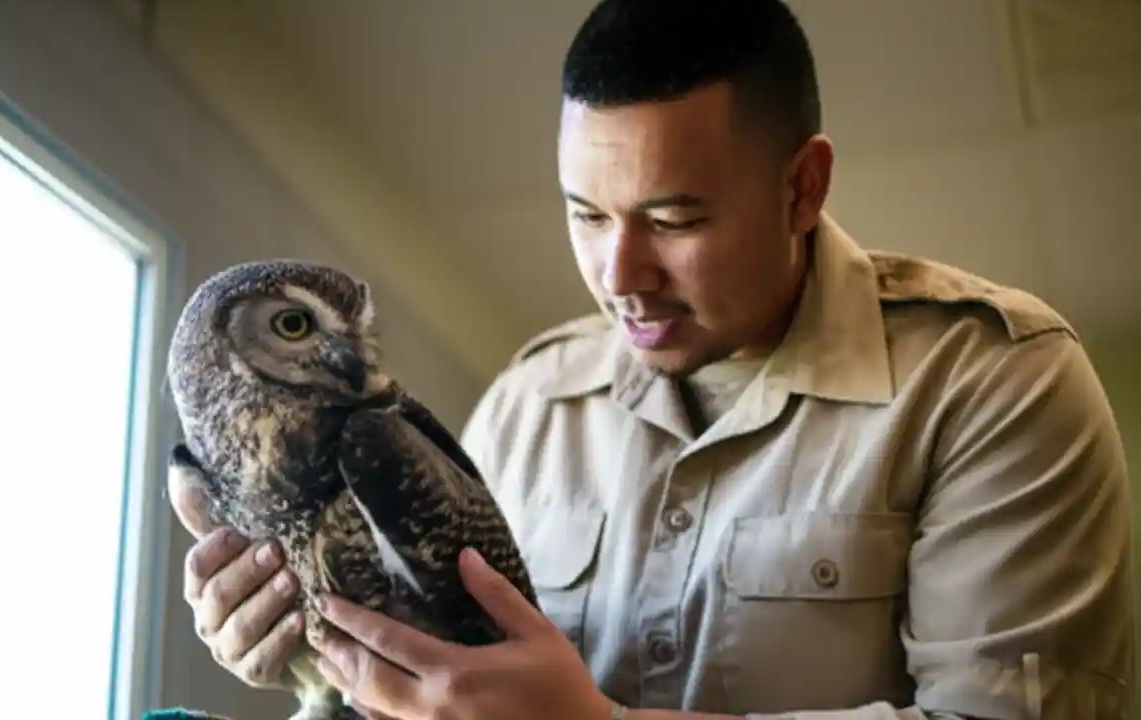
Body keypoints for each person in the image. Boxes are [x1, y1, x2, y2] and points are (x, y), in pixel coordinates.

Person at [167, 0, 1135, 718]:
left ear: (802, 189)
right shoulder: (524, 405)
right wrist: (308, 655)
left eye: (672, 219)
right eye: (583, 214)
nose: (617, 274)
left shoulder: (995, 384)